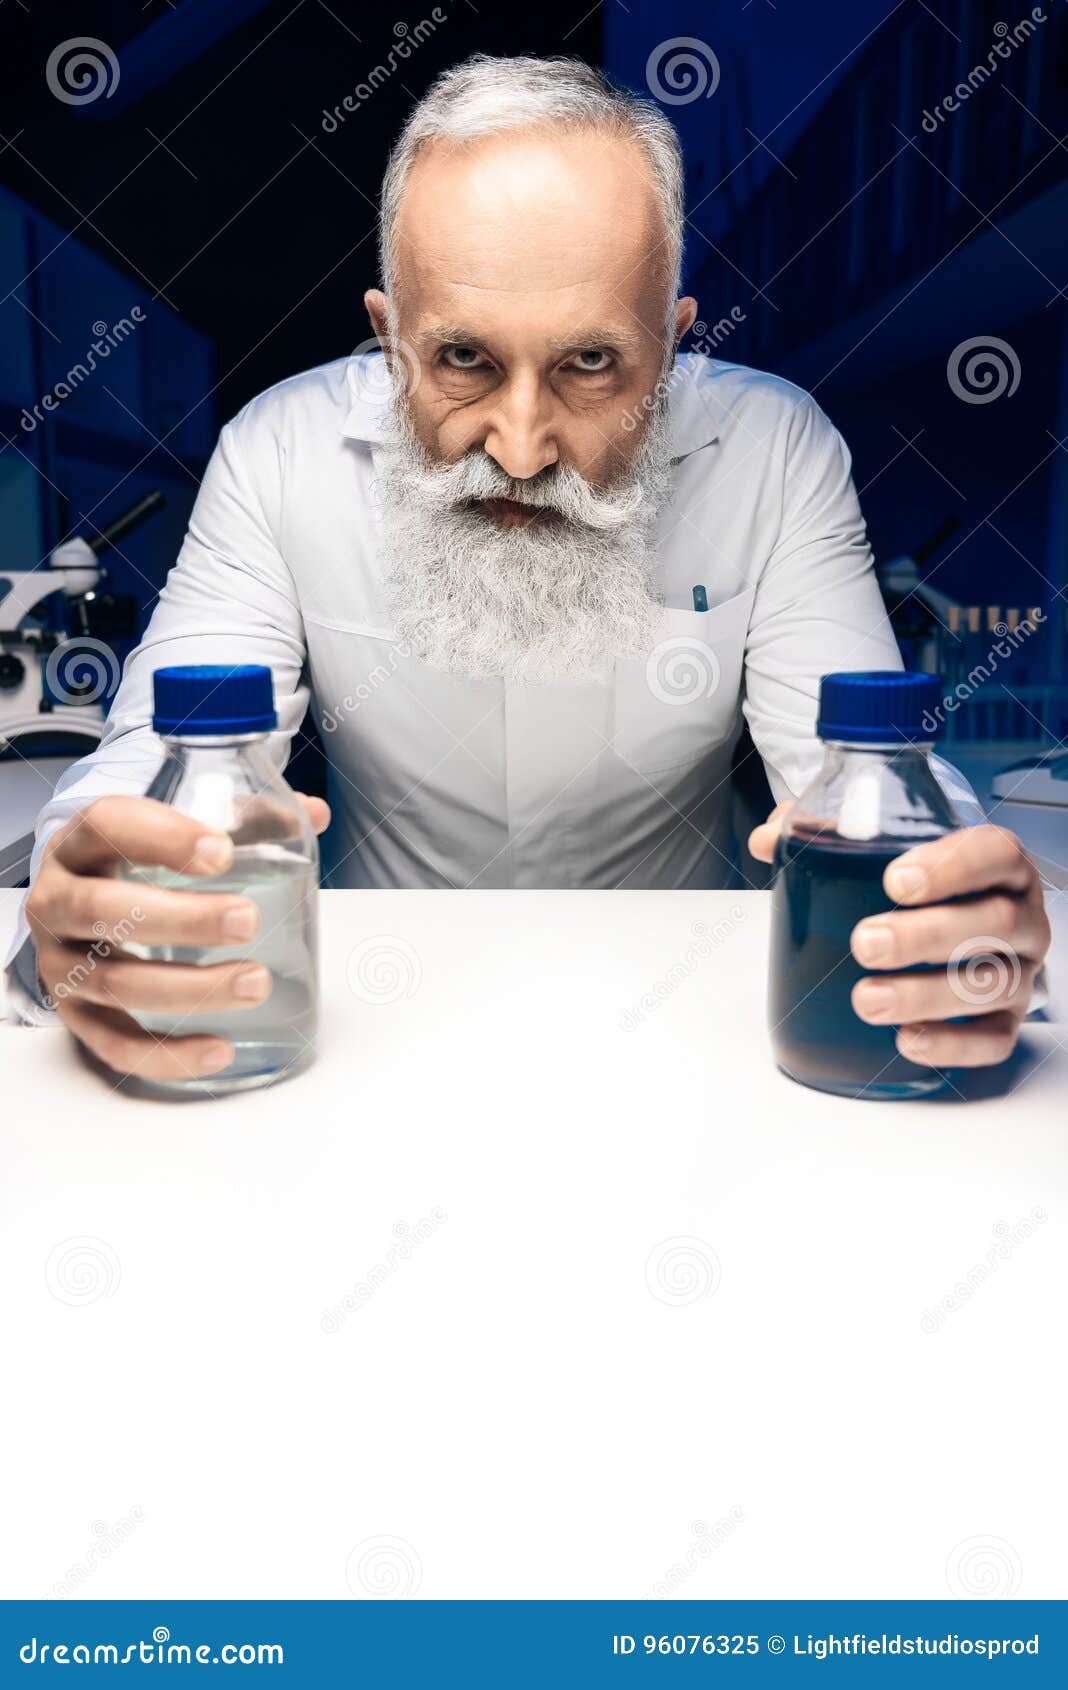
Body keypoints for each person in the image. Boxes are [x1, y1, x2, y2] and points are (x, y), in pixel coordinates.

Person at [9, 55, 1050, 1085]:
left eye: (590, 364)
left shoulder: (774, 451)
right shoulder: (278, 452)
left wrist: (947, 902)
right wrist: (100, 893)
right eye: (463, 358)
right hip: (375, 1032)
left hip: (689, 1034)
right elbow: (161, 757)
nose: (519, 447)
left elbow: (857, 771)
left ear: (675, 345)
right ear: (388, 339)